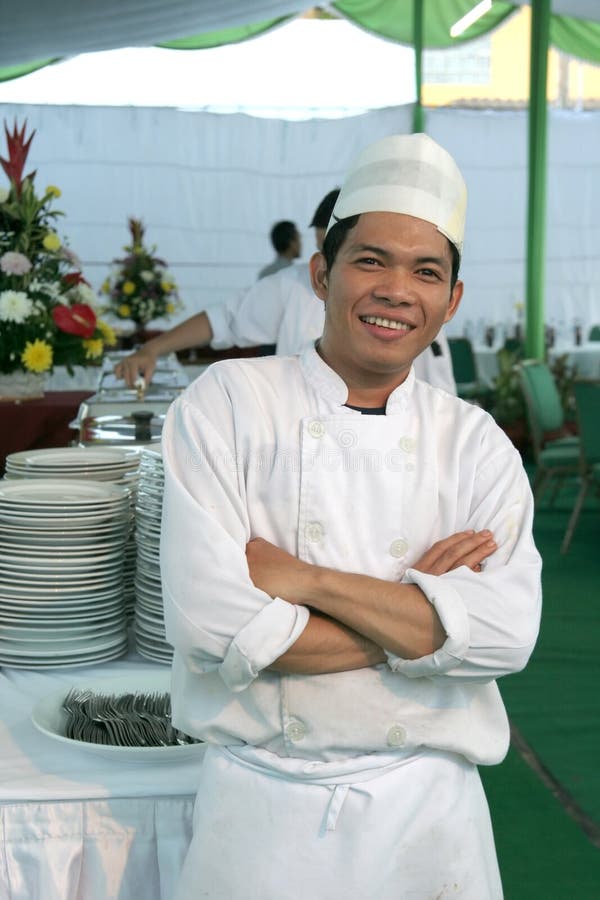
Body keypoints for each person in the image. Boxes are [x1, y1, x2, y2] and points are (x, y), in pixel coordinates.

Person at [161, 133, 542, 899]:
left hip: (429, 823)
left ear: (452, 300)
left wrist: (303, 580)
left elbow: (506, 634)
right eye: (371, 260)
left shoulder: (474, 443)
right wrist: (425, 613)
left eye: (426, 271)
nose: (397, 289)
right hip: (260, 820)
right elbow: (211, 627)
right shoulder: (229, 403)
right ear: (321, 273)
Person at [114, 189, 457, 394]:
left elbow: (440, 398)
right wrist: (154, 349)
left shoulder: (410, 306)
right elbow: (224, 320)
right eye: (321, 248)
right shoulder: (290, 285)